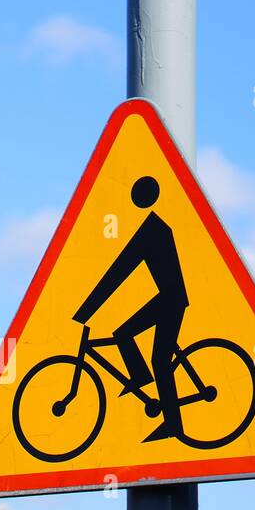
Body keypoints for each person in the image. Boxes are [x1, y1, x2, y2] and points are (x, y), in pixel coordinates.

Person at [72, 175, 186, 442]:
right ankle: (141, 378)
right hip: (167, 298)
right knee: (123, 333)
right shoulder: (151, 229)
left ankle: (173, 423)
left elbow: (119, 272)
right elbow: (119, 270)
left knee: (159, 358)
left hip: (172, 300)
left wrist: (87, 310)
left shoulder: (152, 231)